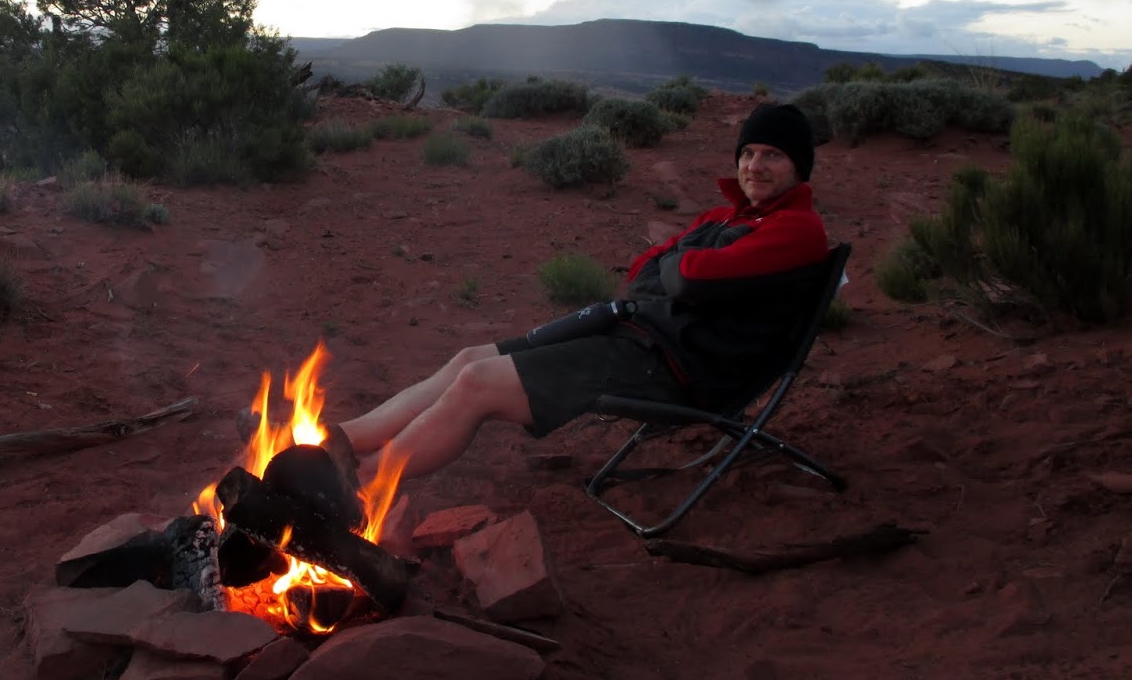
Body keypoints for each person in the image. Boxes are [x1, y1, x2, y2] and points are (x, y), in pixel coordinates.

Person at [341, 101, 830, 480]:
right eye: (747, 153)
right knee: (469, 358)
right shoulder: (725, 217)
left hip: (676, 368)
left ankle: (361, 483)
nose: (754, 166)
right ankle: (339, 442)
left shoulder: (797, 229)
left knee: (478, 383)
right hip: (633, 332)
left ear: (799, 166)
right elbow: (643, 273)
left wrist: (675, 261)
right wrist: (676, 266)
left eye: (772, 155)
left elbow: (686, 278)